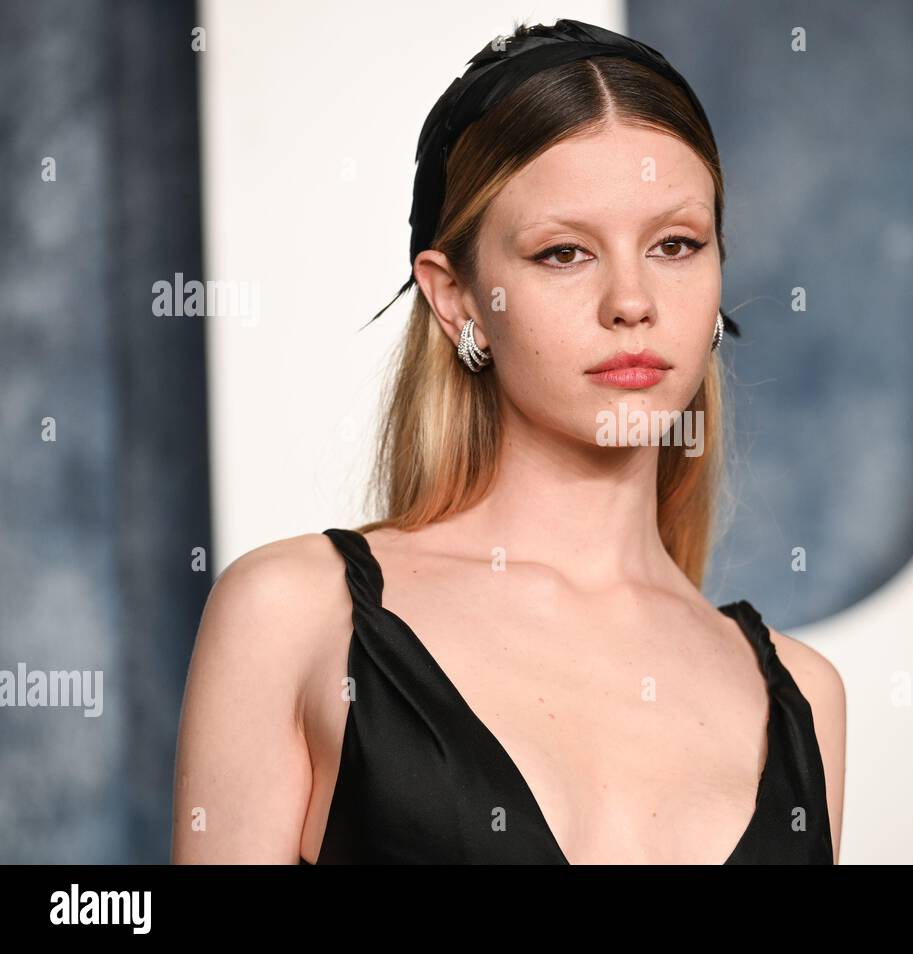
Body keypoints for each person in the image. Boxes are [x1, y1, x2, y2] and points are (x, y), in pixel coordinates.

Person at [172, 19, 845, 865]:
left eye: (675, 245)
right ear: (456, 299)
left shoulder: (804, 698)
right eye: (564, 253)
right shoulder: (296, 615)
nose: (631, 301)